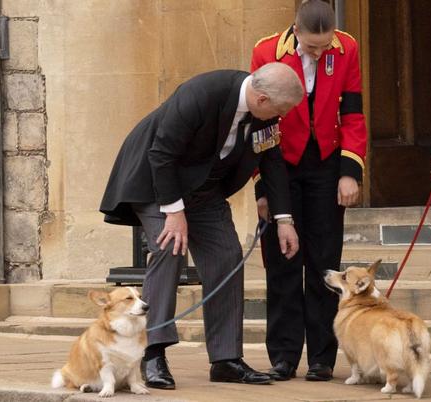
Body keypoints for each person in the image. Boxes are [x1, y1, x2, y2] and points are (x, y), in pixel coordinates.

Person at [99, 63, 304, 389]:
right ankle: (152, 353)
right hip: (155, 183)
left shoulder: (267, 115)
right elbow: (162, 153)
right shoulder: (202, 93)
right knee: (170, 247)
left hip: (204, 188)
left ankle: (226, 359)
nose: (284, 116)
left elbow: (272, 161)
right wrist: (174, 213)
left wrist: (283, 219)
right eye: (281, 109)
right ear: (262, 99)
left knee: (227, 253)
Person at [250, 0, 367, 382]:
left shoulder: (346, 47)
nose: (320, 52)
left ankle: (322, 358)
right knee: (282, 260)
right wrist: (262, 191)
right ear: (296, 31)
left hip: (327, 163)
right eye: (312, 46)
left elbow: (352, 112)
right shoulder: (266, 50)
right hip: (280, 163)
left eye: (325, 45)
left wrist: (350, 171)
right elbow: (258, 123)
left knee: (323, 261)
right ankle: (283, 356)